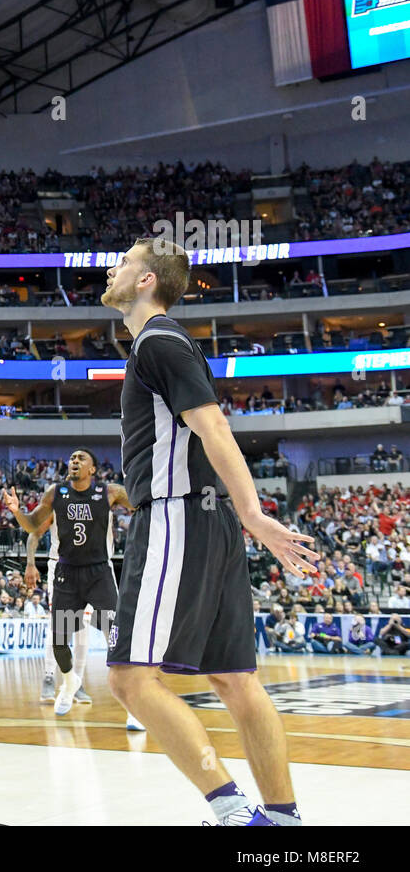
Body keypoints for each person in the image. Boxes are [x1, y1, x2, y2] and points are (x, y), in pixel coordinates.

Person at [101, 237, 319, 826]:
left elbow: (214, 427)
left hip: (178, 518)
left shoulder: (158, 341)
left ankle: (233, 813)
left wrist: (253, 513)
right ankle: (281, 821)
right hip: (206, 518)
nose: (113, 268)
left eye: (124, 262)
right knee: (236, 681)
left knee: (129, 679)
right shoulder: (165, 344)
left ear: (147, 281)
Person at [3, 449, 144, 731]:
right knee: (59, 642)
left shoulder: (110, 492)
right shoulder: (56, 492)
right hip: (66, 574)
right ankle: (69, 683)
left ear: (93, 469)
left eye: (81, 458)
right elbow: (32, 525)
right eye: (71, 458)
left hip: (99, 574)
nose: (74, 461)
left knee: (114, 637)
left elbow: (142, 505)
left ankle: (134, 709)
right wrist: (17, 510)